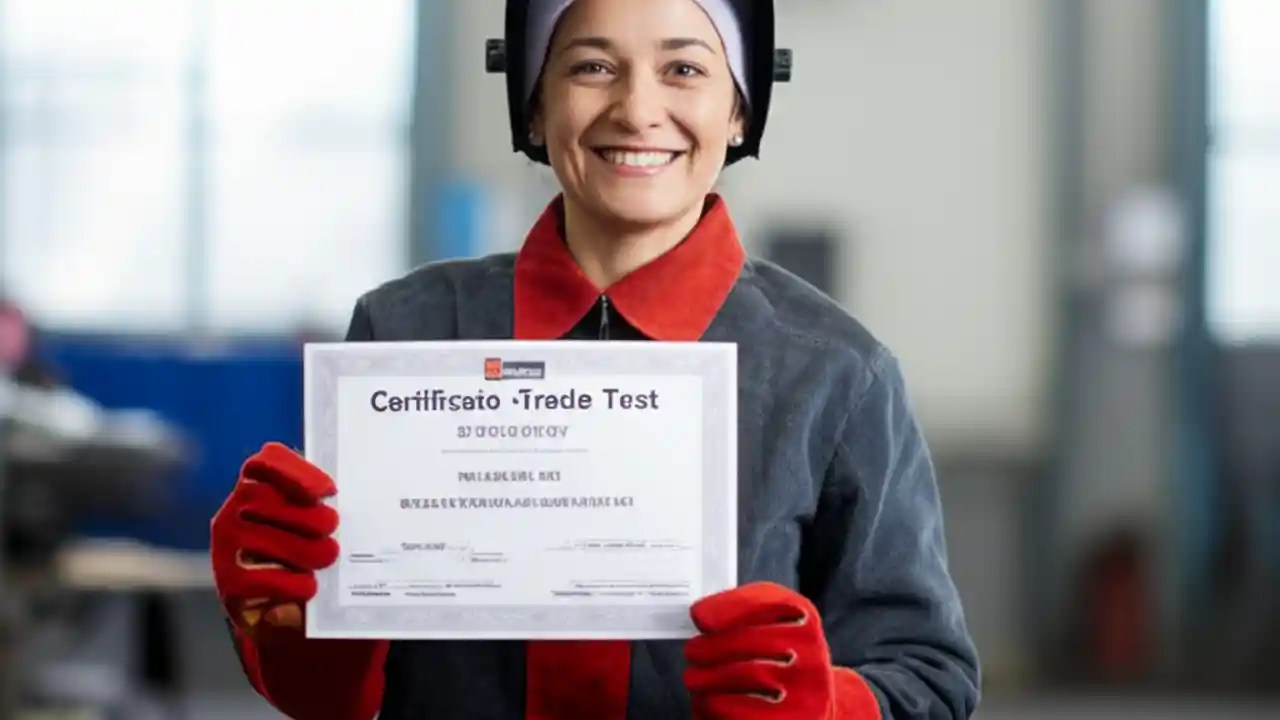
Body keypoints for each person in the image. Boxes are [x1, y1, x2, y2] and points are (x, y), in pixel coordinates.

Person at [209, 0, 980, 717]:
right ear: (535, 107)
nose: (638, 110)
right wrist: (286, 620)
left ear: (740, 110)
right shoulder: (405, 333)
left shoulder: (835, 373)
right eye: (591, 67)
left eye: (684, 68)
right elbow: (334, 696)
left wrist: (829, 705)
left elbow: (929, 675)